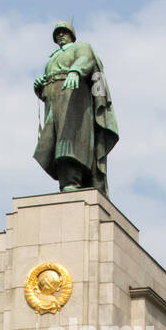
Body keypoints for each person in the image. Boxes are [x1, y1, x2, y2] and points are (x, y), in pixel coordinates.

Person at [32, 21, 119, 198]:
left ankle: (72, 181)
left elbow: (85, 60)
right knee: (54, 142)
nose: (60, 35)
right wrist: (39, 86)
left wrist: (75, 71)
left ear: (72, 34)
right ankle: (67, 182)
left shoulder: (81, 46)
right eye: (57, 33)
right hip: (54, 101)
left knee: (70, 139)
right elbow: (48, 85)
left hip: (74, 98)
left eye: (64, 32)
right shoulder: (53, 57)